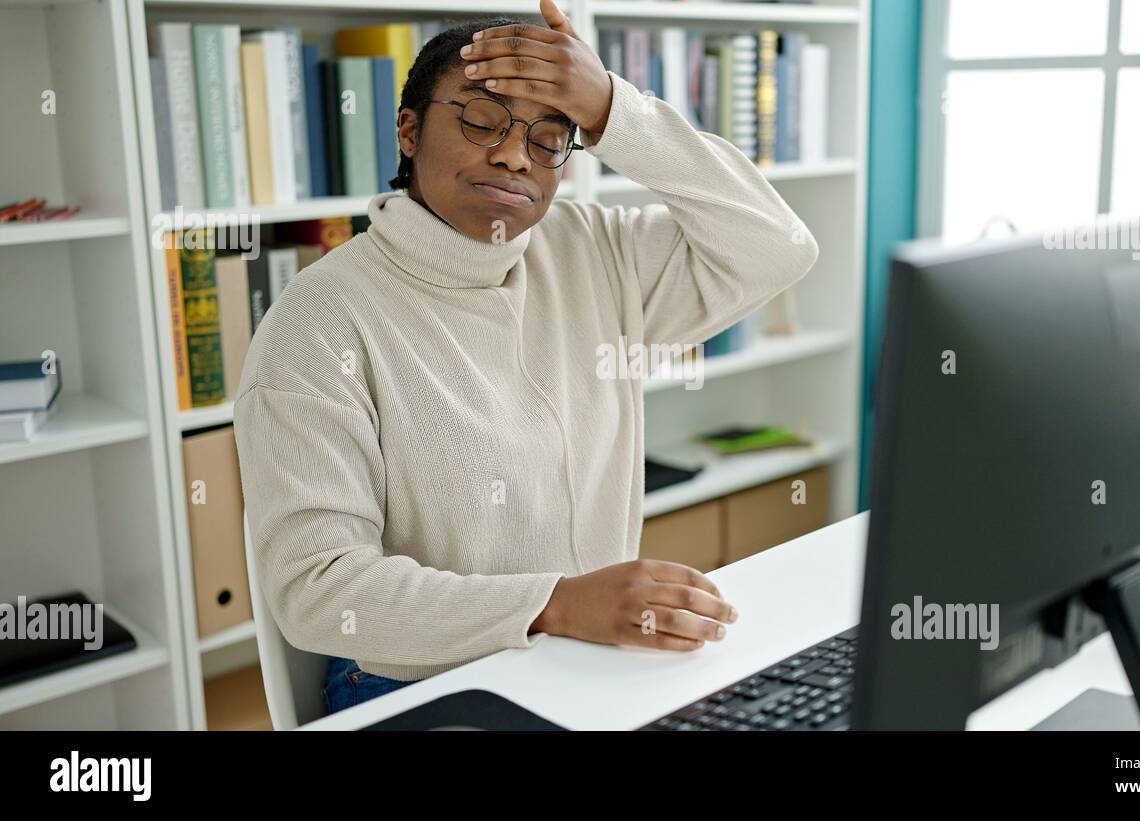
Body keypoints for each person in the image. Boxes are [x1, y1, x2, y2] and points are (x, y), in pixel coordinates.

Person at [233, 0, 819, 715]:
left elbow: (778, 246)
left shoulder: (594, 251)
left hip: (585, 656)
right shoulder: (318, 320)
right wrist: (558, 604)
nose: (514, 154)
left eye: (549, 138)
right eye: (480, 121)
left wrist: (611, 109)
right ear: (409, 131)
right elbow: (318, 590)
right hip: (419, 682)